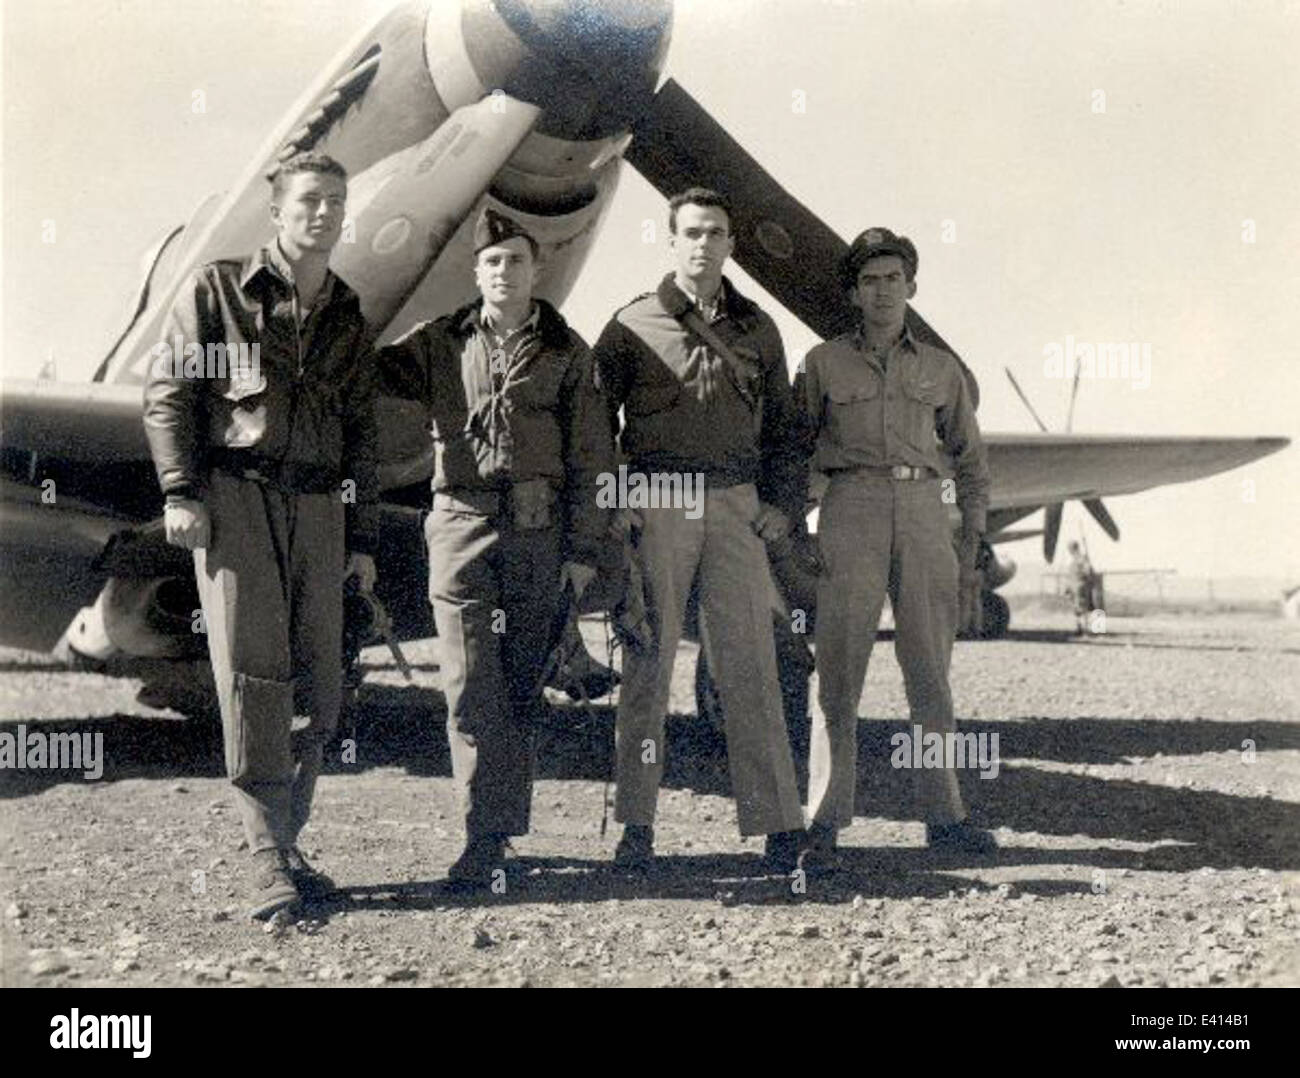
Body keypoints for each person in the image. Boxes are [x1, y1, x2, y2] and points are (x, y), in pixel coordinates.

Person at [143, 152, 379, 920]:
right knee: (254, 675)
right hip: (238, 498)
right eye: (309, 200)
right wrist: (181, 491)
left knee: (322, 681)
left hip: (319, 506)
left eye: (336, 202)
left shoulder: (347, 312)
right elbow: (170, 392)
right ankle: (263, 855)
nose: (324, 213)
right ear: (276, 212)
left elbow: (361, 436)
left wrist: (364, 536)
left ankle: (288, 838)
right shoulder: (219, 289)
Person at [374, 208, 611, 889]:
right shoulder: (438, 343)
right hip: (461, 527)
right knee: (470, 684)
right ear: (476, 274)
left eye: (516, 261)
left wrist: (585, 547)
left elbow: (594, 455)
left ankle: (502, 827)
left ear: (537, 271)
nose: (504, 273)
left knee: (518, 685)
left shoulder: (569, 351)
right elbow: (359, 372)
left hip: (539, 536)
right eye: (492, 263)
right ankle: (485, 836)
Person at [592, 187, 807, 873]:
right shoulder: (630, 325)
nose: (703, 243)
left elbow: (787, 433)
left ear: (730, 244)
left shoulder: (760, 330)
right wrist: (615, 500)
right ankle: (636, 826)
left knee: (751, 663)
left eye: (716, 232)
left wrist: (782, 506)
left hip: (736, 501)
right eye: (691, 232)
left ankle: (777, 822)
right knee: (648, 663)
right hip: (661, 495)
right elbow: (597, 428)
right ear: (671, 239)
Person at [796, 227, 996, 874]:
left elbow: (970, 460)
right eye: (869, 281)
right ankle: (823, 821)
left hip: (922, 514)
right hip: (849, 508)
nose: (882, 291)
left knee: (931, 675)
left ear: (912, 287)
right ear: (854, 293)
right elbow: (795, 452)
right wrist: (794, 528)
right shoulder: (822, 363)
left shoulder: (942, 370)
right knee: (838, 671)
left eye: (893, 279)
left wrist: (973, 536)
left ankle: (946, 818)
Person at [1066, 540, 1099, 633]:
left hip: (1080, 585)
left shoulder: (1081, 558)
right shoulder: (1074, 559)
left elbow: (1087, 570)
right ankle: (1079, 627)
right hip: (1074, 585)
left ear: (1073, 548)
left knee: (1082, 607)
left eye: (1070, 549)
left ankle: (1085, 627)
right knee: (1077, 607)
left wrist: (1087, 579)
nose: (1069, 551)